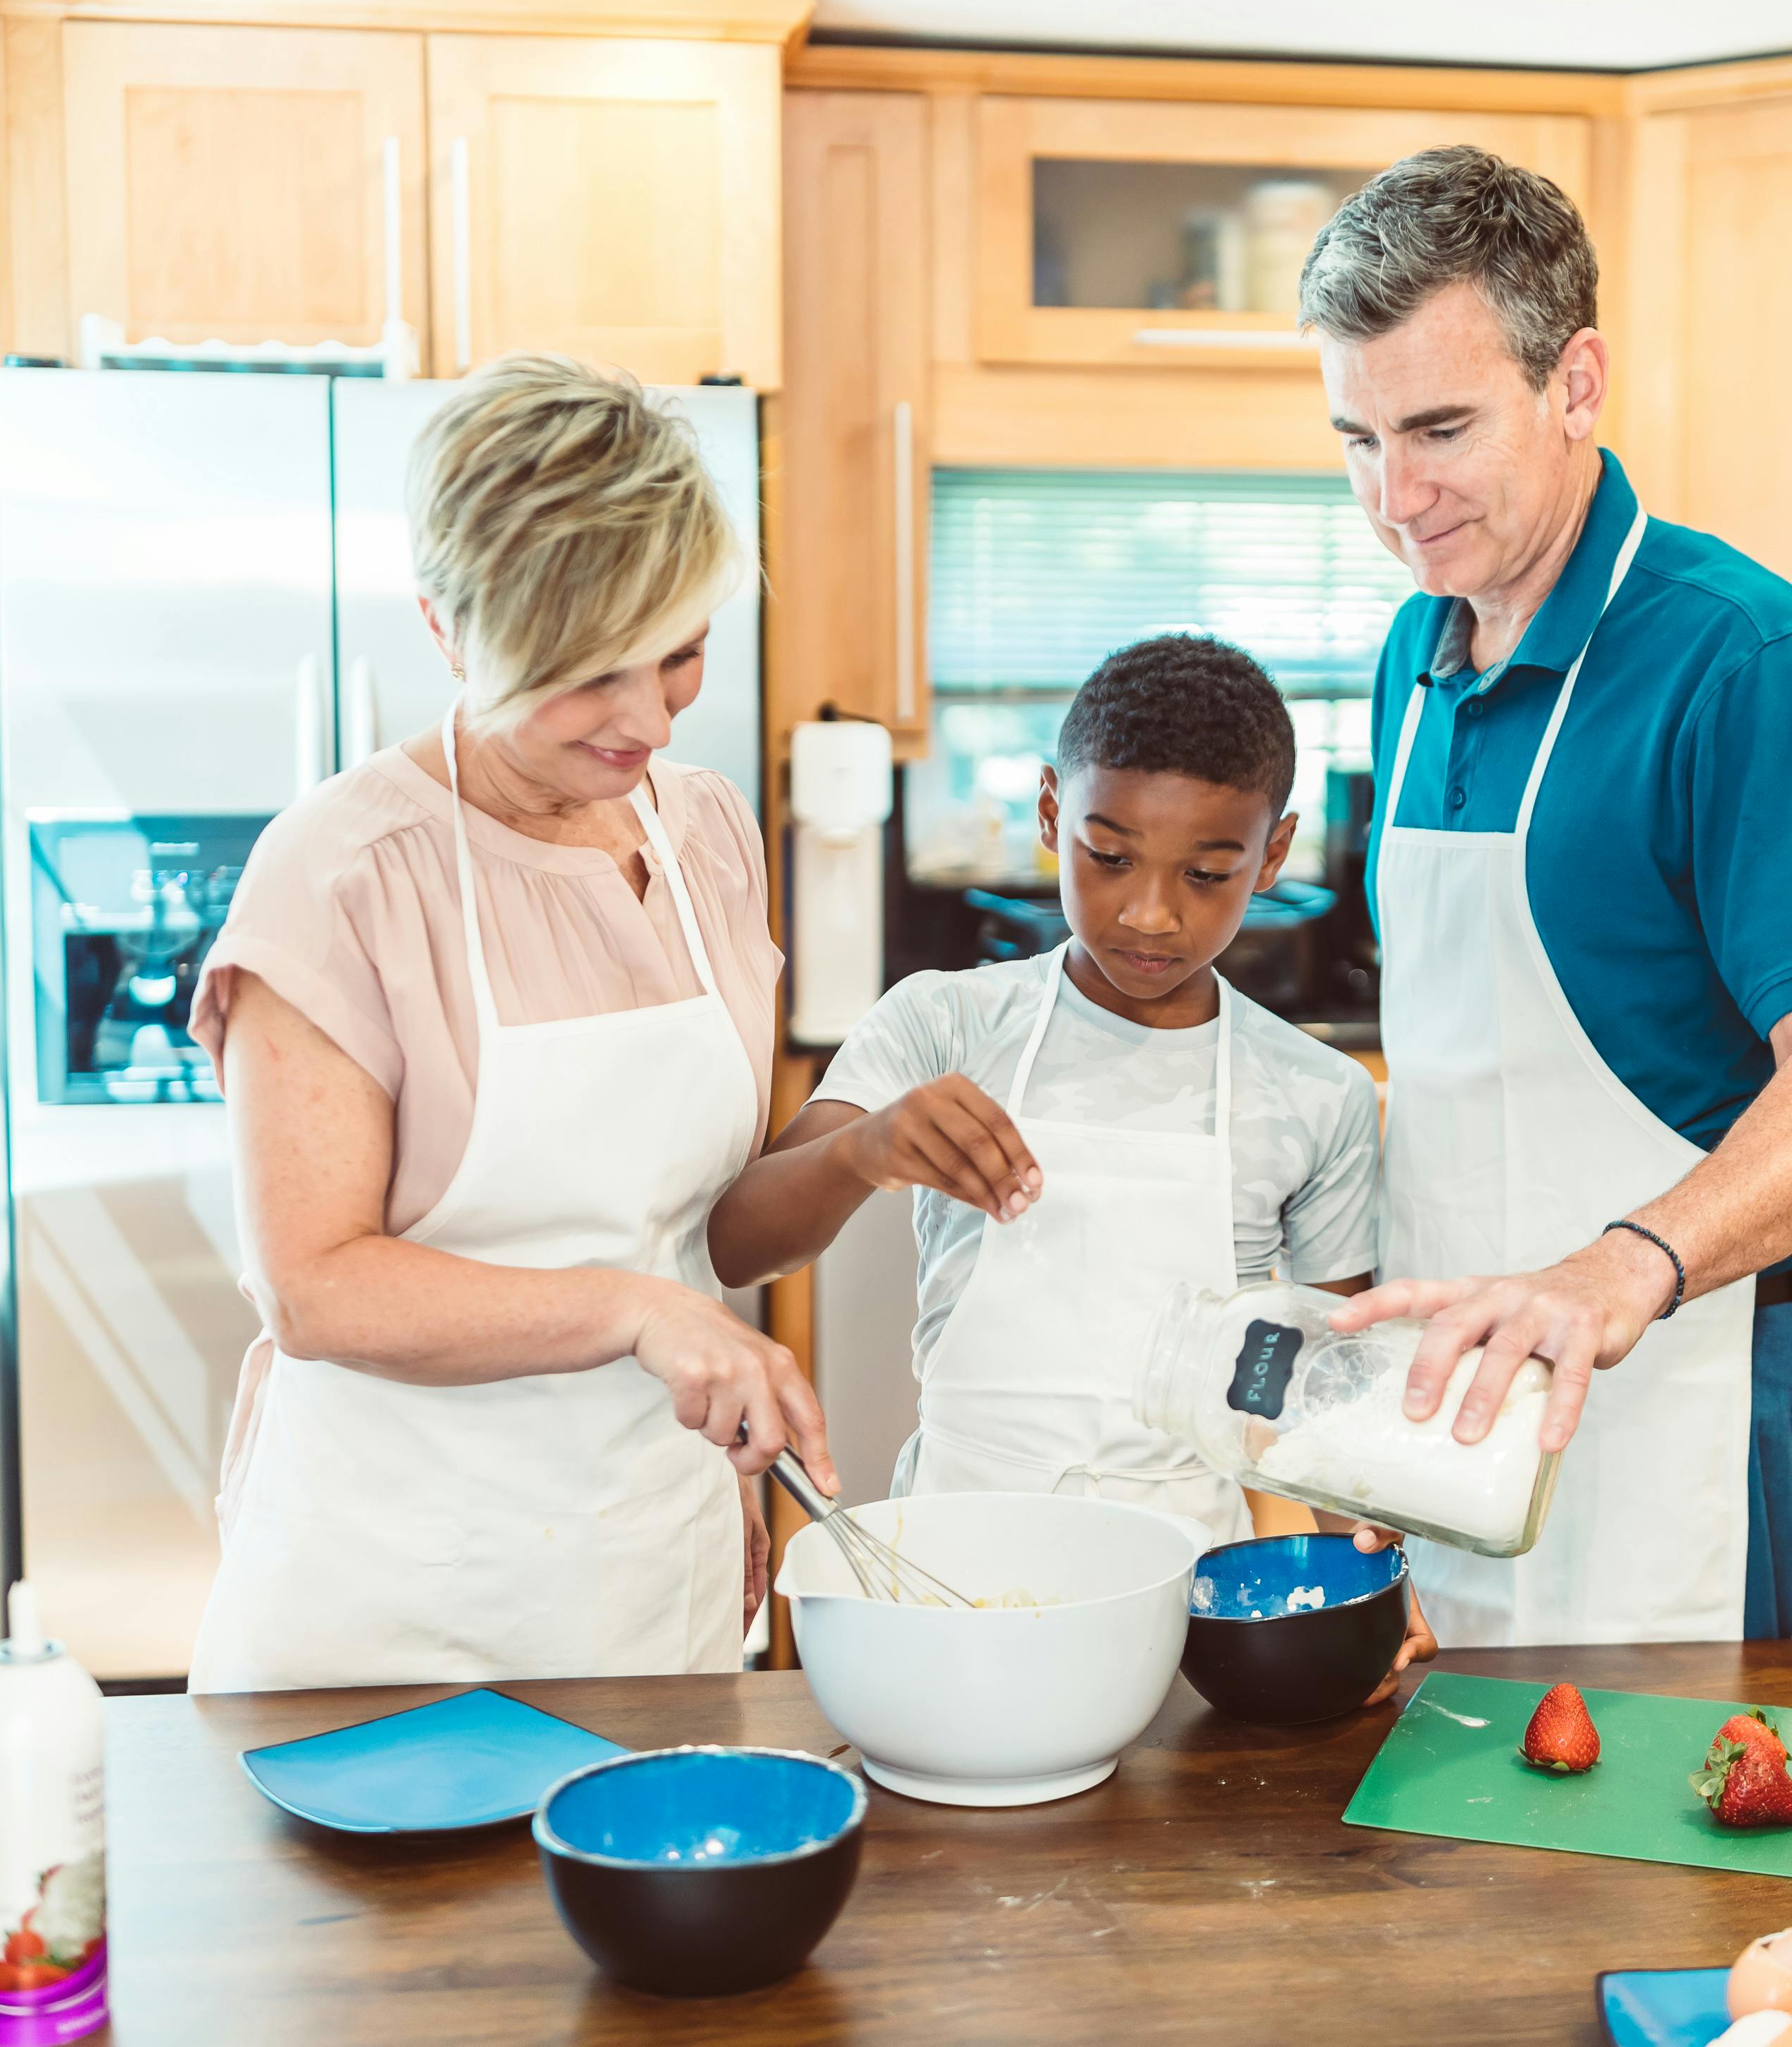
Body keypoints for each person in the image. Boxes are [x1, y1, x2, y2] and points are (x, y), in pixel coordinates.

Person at [1298, 146, 1792, 1646]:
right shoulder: (1416, 654)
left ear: (1574, 383)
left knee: (1660, 1858)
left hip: (1681, 1396)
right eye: (1357, 439)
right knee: (1450, 1844)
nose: (1397, 497)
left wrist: (1617, 1269)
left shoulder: (1740, 658)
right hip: (1450, 1393)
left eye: (1442, 428)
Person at [184, 355, 833, 1695]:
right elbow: (314, 1285)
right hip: (398, 1598)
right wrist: (638, 1314)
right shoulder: (343, 871)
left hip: (653, 1562)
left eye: (682, 652)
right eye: (590, 675)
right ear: (447, 627)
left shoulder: (704, 830)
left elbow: (690, 1223)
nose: (648, 718)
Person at [708, 638, 1413, 1589]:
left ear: (1274, 852)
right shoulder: (946, 1021)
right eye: (1110, 857)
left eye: (1206, 874)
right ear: (1051, 813)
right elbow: (738, 1247)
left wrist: (1376, 1586)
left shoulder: (1314, 1093)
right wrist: (863, 1151)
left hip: (1185, 1577)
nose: (1151, 914)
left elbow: (1326, 1390)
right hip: (953, 1559)